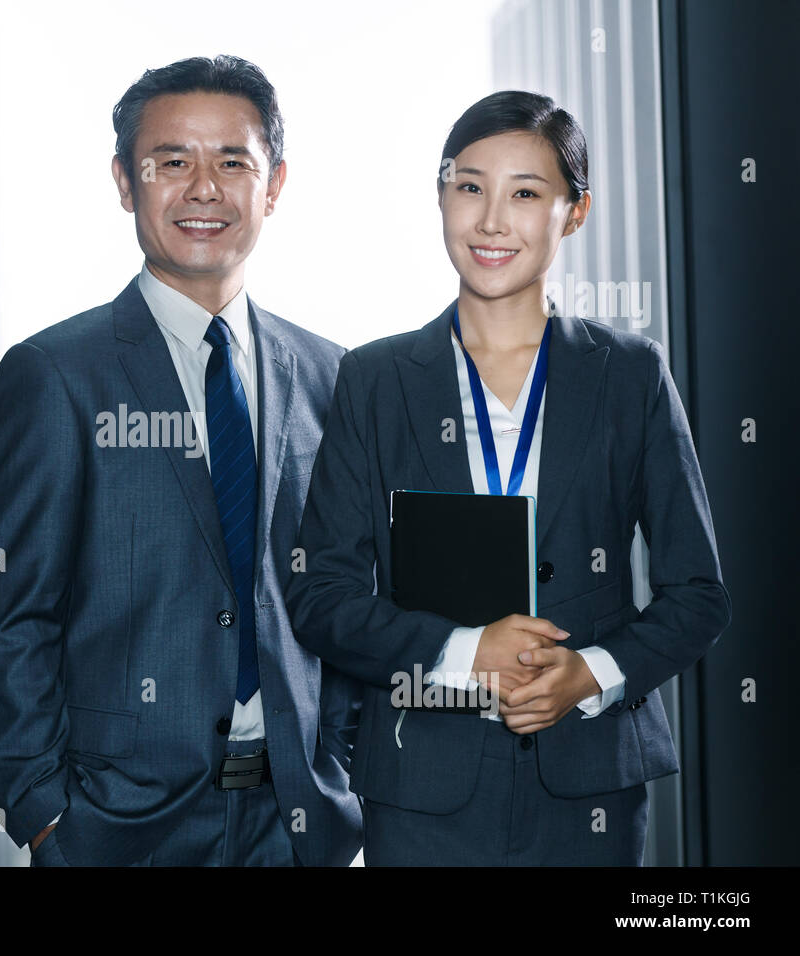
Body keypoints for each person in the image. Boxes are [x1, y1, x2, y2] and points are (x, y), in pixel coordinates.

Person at [286, 90, 730, 865]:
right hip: (421, 789)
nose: (492, 221)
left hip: (589, 783)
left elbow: (698, 595)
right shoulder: (375, 379)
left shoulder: (630, 374)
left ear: (575, 211)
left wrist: (588, 674)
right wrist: (466, 653)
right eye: (470, 187)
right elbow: (321, 595)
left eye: (525, 194)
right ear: (441, 197)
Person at [0, 55, 362, 867]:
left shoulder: (332, 376)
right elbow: (17, 617)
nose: (204, 189)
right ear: (125, 181)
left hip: (296, 823)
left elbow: (350, 600)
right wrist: (42, 813)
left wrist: (344, 770)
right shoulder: (57, 376)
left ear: (274, 184)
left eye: (233, 162)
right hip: (118, 826)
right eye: (172, 162)